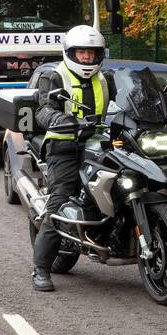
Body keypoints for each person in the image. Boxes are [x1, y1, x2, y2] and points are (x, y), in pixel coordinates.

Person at [31, 25, 109, 292]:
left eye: (91, 53)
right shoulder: (55, 76)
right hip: (64, 147)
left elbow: (124, 106)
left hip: (98, 144)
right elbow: (43, 109)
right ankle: (40, 268)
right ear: (70, 52)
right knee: (60, 201)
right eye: (82, 53)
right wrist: (62, 120)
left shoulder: (105, 79)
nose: (87, 58)